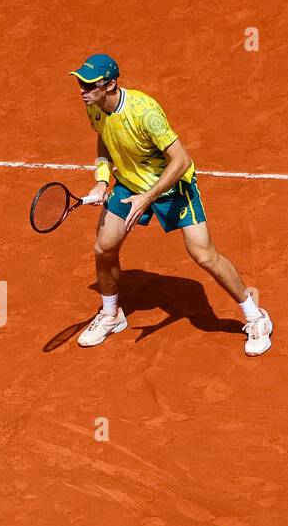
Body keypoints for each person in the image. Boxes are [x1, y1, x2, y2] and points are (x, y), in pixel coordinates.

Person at [70, 53, 272, 355]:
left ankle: (256, 318)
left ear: (111, 84)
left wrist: (148, 198)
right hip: (129, 184)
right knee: (103, 248)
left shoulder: (145, 112)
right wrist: (102, 180)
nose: (83, 90)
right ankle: (111, 315)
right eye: (80, 84)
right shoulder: (95, 107)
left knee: (204, 255)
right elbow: (103, 140)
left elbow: (181, 160)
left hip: (171, 186)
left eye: (89, 84)